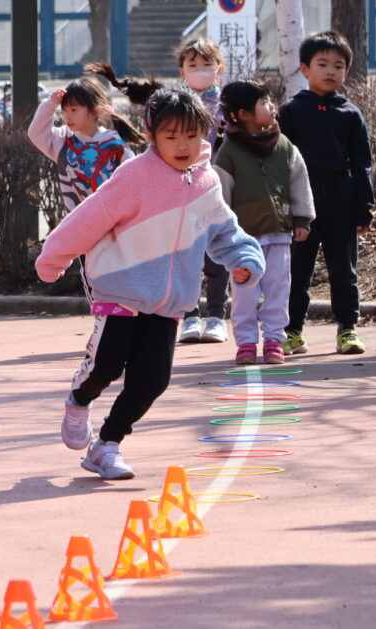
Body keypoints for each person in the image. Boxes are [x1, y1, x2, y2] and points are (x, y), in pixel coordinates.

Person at [35, 87, 264, 480]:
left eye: (191, 136)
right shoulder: (135, 175)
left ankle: (107, 445)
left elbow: (225, 231)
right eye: (171, 137)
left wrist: (245, 260)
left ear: (204, 135)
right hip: (119, 285)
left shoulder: (206, 183)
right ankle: (79, 399)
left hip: (169, 300)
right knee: (107, 365)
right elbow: (89, 218)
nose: (182, 146)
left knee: (153, 380)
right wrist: (54, 257)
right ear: (151, 133)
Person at [278, 31, 374, 357]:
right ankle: (292, 331)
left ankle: (347, 329)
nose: (331, 71)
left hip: (340, 197)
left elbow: (362, 164)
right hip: (302, 199)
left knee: (343, 269)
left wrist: (364, 208)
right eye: (322, 64)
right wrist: (282, 205)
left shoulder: (350, 114)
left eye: (339, 65)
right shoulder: (290, 112)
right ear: (305, 69)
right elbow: (280, 161)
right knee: (297, 270)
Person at [213, 80, 315, 365]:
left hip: (279, 233)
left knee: (278, 288)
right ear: (244, 114)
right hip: (243, 241)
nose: (273, 108)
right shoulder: (229, 150)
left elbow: (299, 182)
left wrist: (302, 218)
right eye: (265, 103)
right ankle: (245, 342)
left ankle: (274, 339)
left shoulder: (283, 145)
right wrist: (223, 232)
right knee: (244, 293)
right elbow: (221, 193)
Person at [172, 37, 232, 344]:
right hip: (180, 189)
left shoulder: (226, 105)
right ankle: (190, 315)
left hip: (216, 189)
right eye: (192, 65)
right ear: (182, 70)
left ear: (218, 68)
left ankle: (217, 316)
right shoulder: (171, 105)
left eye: (206, 64)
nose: (200, 70)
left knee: (216, 254)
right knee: (185, 254)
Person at [28, 69, 142, 215]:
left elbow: (133, 177)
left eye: (74, 110)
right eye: (64, 110)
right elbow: (36, 133)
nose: (67, 116)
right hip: (77, 227)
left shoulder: (113, 143)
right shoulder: (62, 140)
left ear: (95, 111)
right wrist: (50, 104)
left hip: (112, 224)